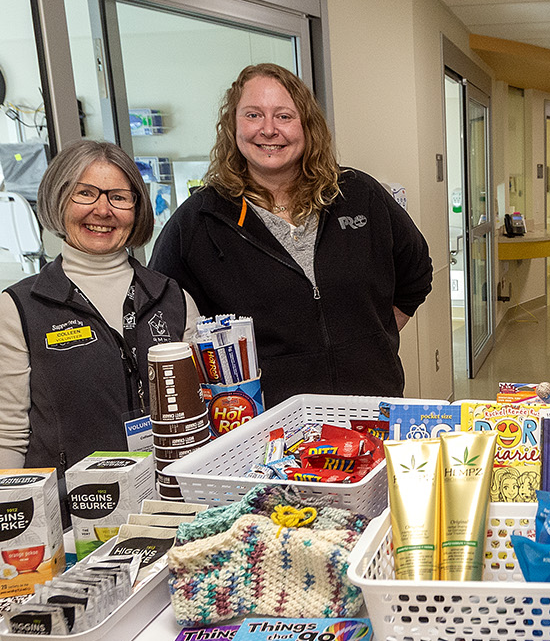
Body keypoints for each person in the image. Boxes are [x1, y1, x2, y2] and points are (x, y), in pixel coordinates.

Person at [150, 63, 433, 403]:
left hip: (372, 407)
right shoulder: (200, 220)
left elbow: (416, 272)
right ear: (232, 126)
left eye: (284, 116)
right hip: (266, 428)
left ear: (307, 126)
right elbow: (163, 318)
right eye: (253, 115)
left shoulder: (358, 195)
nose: (268, 130)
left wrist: (373, 338)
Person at [0, 139, 197, 471]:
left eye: (119, 197)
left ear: (137, 209)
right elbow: (4, 434)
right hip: (74, 509)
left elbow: (201, 410)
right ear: (58, 199)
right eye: (85, 193)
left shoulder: (173, 299)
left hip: (168, 498)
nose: (103, 210)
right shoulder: (18, 310)